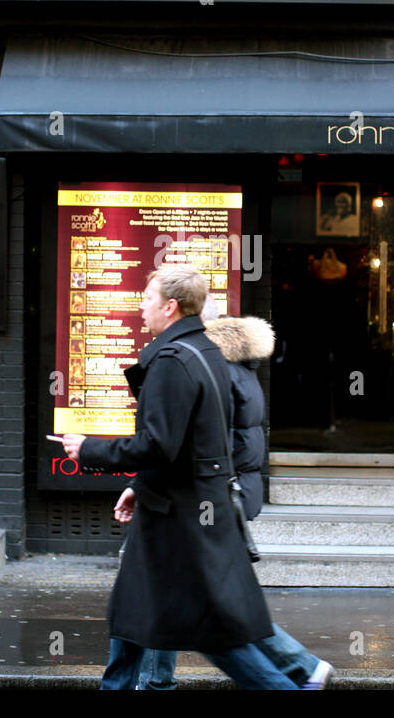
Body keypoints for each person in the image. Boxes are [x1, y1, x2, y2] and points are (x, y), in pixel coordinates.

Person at [61, 265, 296, 689]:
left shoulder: (172, 361)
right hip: (181, 507)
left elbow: (158, 444)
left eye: (147, 298)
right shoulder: (203, 351)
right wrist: (140, 486)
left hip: (179, 519)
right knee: (136, 611)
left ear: (170, 306)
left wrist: (88, 449)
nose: (141, 305)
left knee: (213, 634)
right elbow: (192, 443)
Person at [134, 307, 334, 690]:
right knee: (184, 593)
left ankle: (299, 666)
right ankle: (157, 680)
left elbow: (201, 445)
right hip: (226, 495)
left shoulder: (210, 370)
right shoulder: (239, 367)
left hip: (207, 502)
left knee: (214, 604)